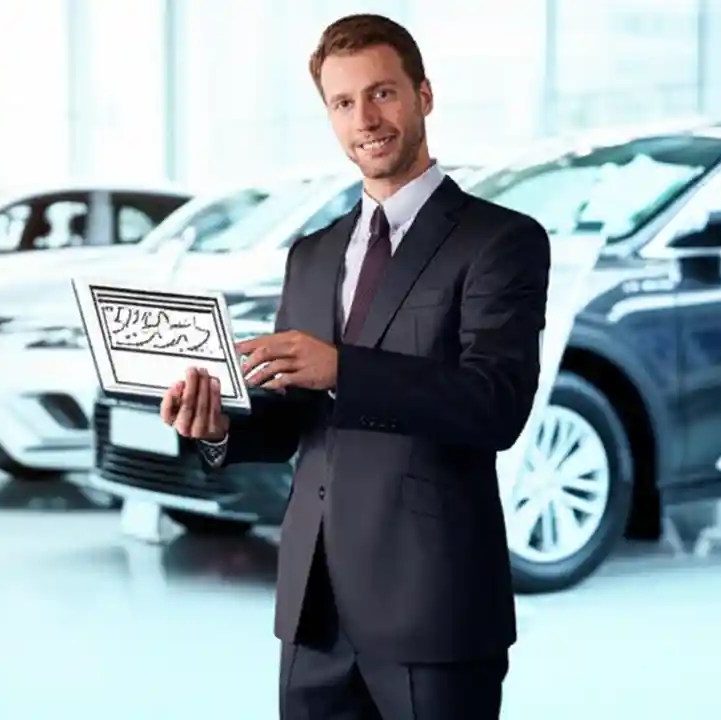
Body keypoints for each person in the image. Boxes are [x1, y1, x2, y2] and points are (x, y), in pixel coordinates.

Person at [159, 13, 551, 720]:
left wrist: (342, 367)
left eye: (382, 93)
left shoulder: (500, 241)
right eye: (343, 103)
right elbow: (295, 419)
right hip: (313, 610)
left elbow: (495, 405)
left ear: (424, 95)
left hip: (432, 607)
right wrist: (218, 426)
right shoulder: (310, 255)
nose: (365, 119)